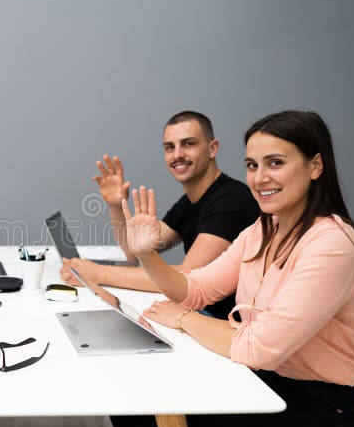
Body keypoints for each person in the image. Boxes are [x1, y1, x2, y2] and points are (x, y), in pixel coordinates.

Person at [112, 110, 354, 427]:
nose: (259, 177)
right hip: (267, 381)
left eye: (275, 163)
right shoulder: (262, 229)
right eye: (252, 165)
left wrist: (185, 318)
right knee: (136, 409)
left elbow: (261, 347)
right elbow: (196, 287)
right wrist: (147, 255)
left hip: (328, 413)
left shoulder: (333, 243)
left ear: (315, 165)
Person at [60, 111, 259, 318]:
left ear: (212, 148)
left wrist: (98, 273)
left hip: (222, 323)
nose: (177, 154)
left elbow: (185, 278)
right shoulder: (190, 202)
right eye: (169, 147)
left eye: (188, 144)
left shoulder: (233, 201)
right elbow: (134, 251)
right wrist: (116, 205)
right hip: (197, 311)